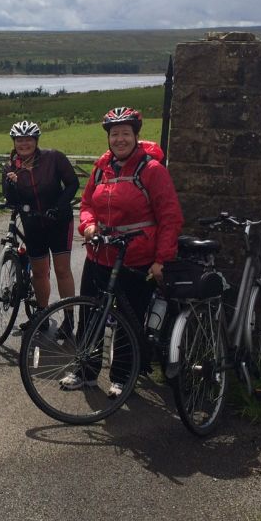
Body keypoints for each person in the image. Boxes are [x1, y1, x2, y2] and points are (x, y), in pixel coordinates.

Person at [62, 107, 184, 397]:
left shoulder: (152, 170)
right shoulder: (102, 168)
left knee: (128, 320)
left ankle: (121, 377)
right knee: (90, 314)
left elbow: (170, 216)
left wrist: (162, 259)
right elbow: (88, 203)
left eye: (125, 134)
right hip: (99, 254)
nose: (119, 139)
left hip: (135, 258)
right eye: (114, 134)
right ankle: (86, 370)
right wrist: (89, 225)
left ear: (136, 136)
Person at [1, 120, 80, 321]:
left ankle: (69, 319)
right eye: (19, 140)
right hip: (33, 223)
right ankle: (41, 315)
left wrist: (59, 206)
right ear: (14, 142)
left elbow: (72, 183)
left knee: (62, 270)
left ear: (36, 141)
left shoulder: (53, 158)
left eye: (28, 139)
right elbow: (12, 201)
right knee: (39, 271)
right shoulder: (10, 167)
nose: (24, 144)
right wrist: (10, 185)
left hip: (59, 221)